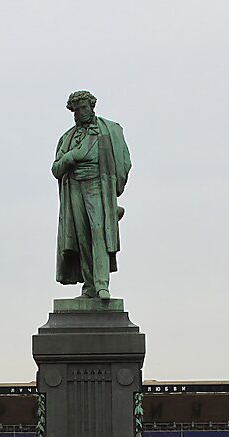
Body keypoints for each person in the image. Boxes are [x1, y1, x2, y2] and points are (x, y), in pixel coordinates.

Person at [52, 90, 132, 300]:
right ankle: (89, 287)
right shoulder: (67, 138)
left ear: (92, 107)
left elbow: (124, 161)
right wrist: (70, 157)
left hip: (98, 184)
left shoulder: (110, 130)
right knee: (82, 238)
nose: (80, 113)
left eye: (83, 108)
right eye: (76, 110)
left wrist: (114, 191)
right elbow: (55, 169)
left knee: (99, 233)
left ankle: (101, 284)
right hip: (75, 187)